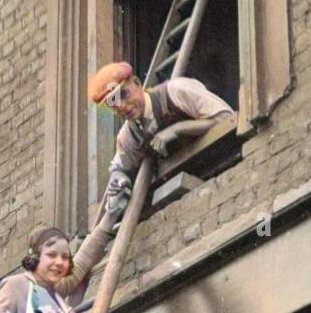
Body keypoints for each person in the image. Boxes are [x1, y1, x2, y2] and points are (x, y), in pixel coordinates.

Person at [88, 61, 235, 225]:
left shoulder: (177, 91)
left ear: (137, 83)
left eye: (124, 95)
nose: (121, 106)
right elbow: (120, 169)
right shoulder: (129, 135)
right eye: (113, 103)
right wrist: (120, 179)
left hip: (226, 172)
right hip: (186, 203)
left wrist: (178, 129)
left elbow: (228, 119)